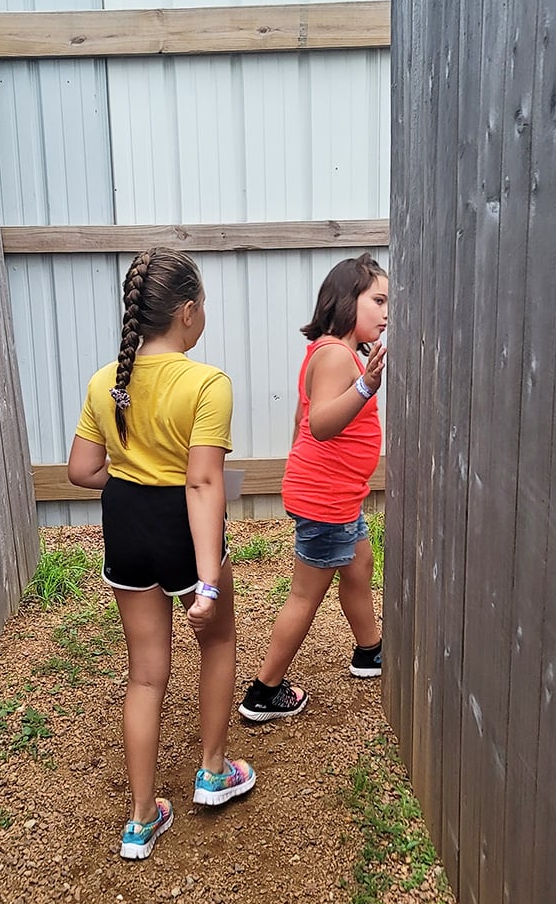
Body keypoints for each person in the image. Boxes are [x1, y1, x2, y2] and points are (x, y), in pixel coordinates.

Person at [68, 248, 255, 860]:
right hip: (184, 529)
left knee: (145, 674)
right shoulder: (207, 383)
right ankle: (212, 771)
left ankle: (142, 819)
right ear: (187, 311)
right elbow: (202, 485)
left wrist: (129, 478)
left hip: (124, 523)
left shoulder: (104, 382)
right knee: (218, 642)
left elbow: (81, 470)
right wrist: (206, 581)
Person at [239, 253, 388, 724]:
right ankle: (264, 691)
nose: (386, 313)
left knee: (359, 563)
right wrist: (366, 387)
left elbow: (301, 421)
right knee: (305, 594)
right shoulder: (334, 356)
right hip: (327, 500)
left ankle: (370, 651)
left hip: (336, 494)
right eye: (378, 301)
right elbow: (321, 424)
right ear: (348, 301)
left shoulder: (331, 351)